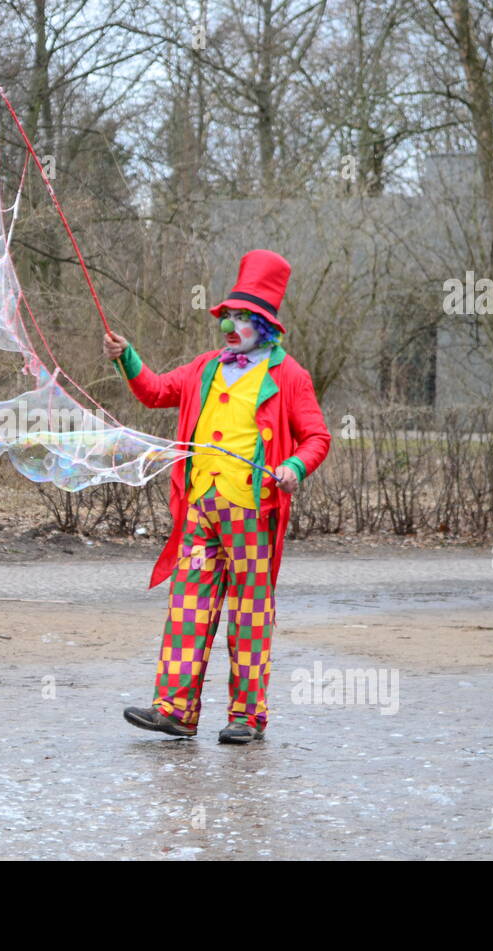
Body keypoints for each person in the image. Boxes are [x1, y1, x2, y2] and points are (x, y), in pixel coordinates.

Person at [104, 249, 331, 744]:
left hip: (253, 511)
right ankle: (175, 710)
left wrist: (293, 467)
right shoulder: (206, 368)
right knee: (188, 607)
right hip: (200, 507)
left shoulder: (289, 376)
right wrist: (128, 355)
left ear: (265, 326)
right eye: (228, 314)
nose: (231, 324)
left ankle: (247, 717)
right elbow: (156, 391)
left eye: (244, 317)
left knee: (249, 614)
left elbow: (317, 437)